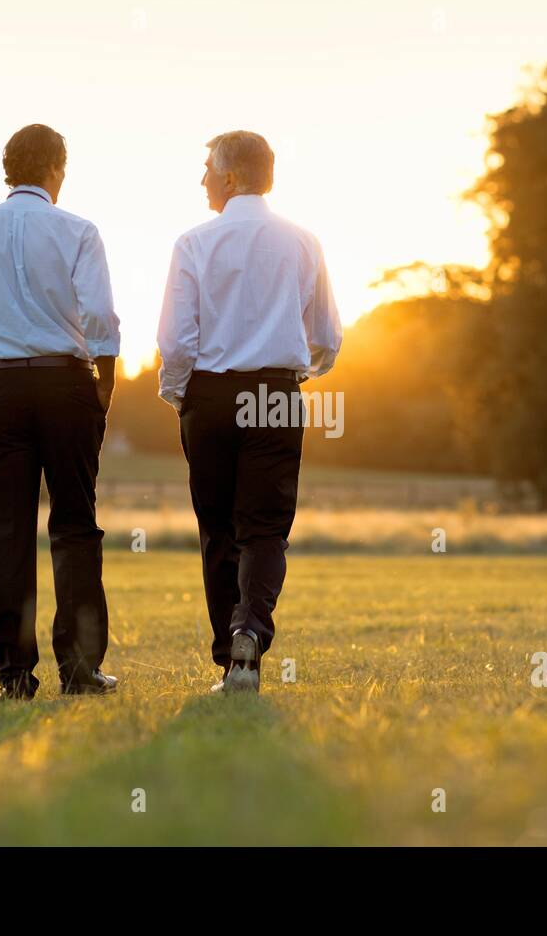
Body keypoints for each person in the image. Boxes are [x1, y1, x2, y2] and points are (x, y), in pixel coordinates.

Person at [0, 123, 120, 700]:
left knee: (6, 533)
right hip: (67, 386)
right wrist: (103, 389)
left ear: (7, 169)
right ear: (58, 169)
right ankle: (80, 671)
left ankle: (13, 676)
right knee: (76, 528)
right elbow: (101, 317)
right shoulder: (79, 230)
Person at [156, 130, 343, 694]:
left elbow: (177, 339)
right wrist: (292, 372)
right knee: (265, 529)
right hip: (275, 395)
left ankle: (229, 661)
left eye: (208, 169)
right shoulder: (304, 242)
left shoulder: (193, 242)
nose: (202, 180)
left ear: (230, 176)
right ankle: (250, 634)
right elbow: (328, 337)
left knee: (218, 530)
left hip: (209, 395)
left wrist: (177, 393)